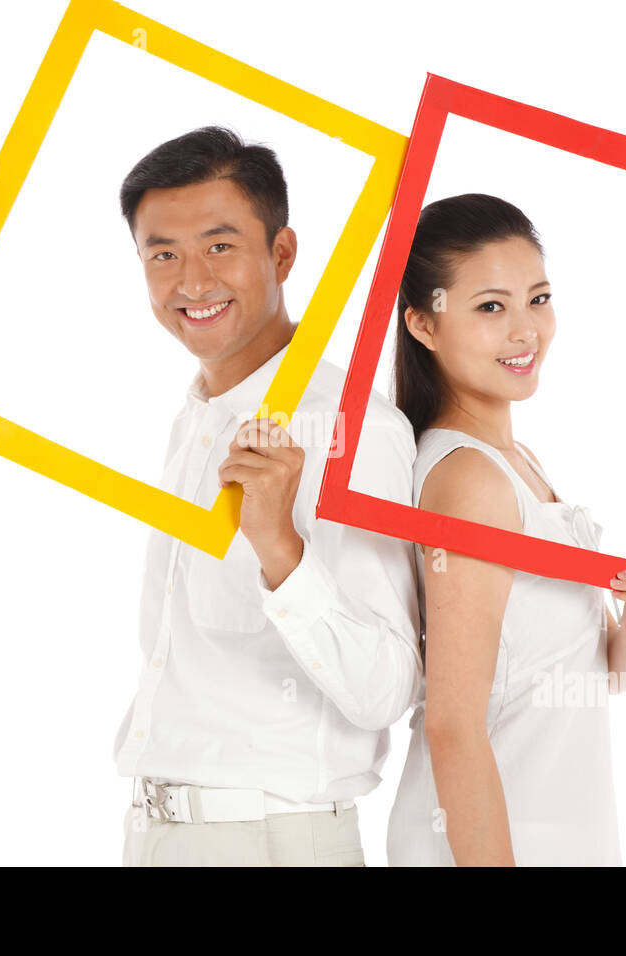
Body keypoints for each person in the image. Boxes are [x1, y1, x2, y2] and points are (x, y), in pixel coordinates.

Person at [112, 126, 422, 866]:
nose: (191, 282)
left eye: (220, 246)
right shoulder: (195, 418)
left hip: (273, 839)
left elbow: (387, 688)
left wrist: (280, 547)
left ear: (281, 253)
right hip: (159, 833)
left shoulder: (352, 430)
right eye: (163, 254)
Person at [385, 194, 626, 866]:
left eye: (538, 297)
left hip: (553, 830)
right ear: (423, 324)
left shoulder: (518, 467)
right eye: (491, 307)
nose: (526, 330)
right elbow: (454, 726)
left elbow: (549, 679)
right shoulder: (470, 483)